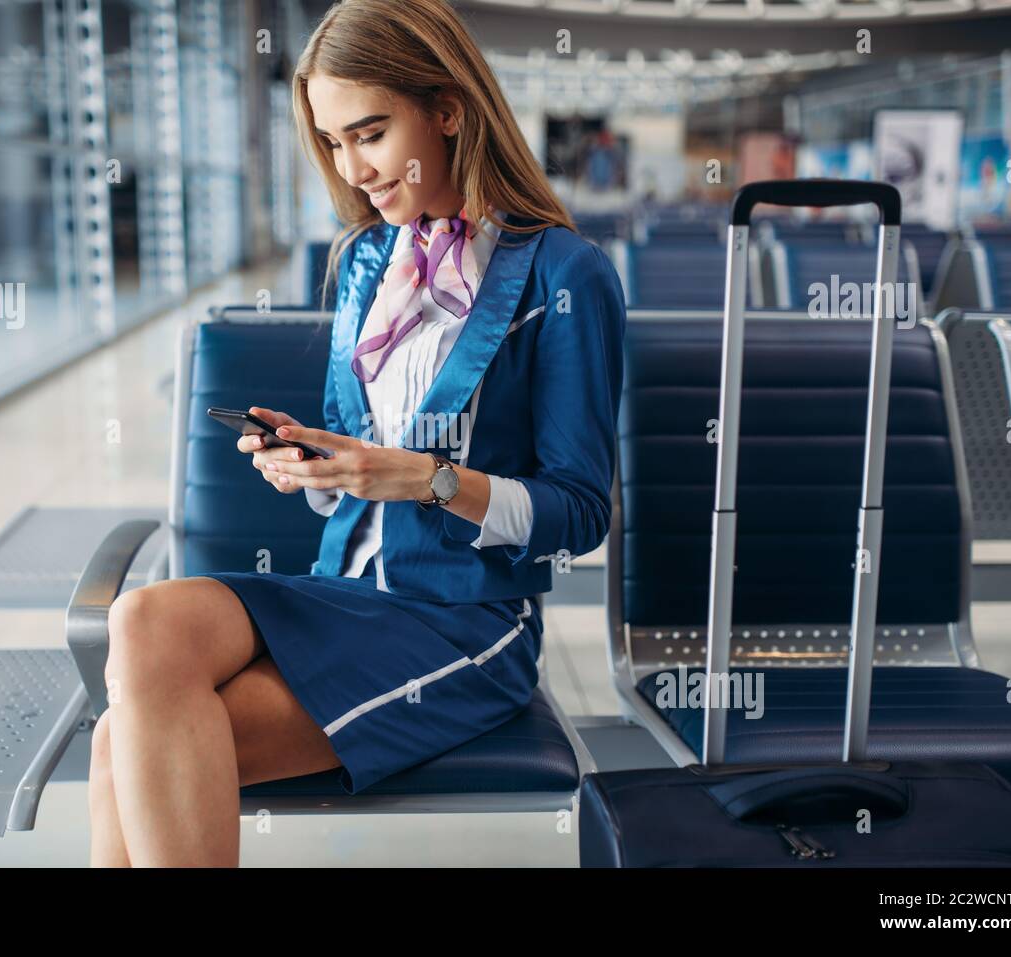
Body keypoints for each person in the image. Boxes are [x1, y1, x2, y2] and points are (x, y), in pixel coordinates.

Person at [88, 0, 626, 867]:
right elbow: (354, 450)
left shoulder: (565, 275)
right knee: (143, 620)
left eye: (369, 133)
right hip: (344, 590)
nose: (352, 167)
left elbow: (579, 512)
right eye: (333, 142)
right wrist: (316, 465)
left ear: (448, 109)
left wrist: (427, 479)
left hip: (465, 619)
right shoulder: (368, 262)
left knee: (121, 743)